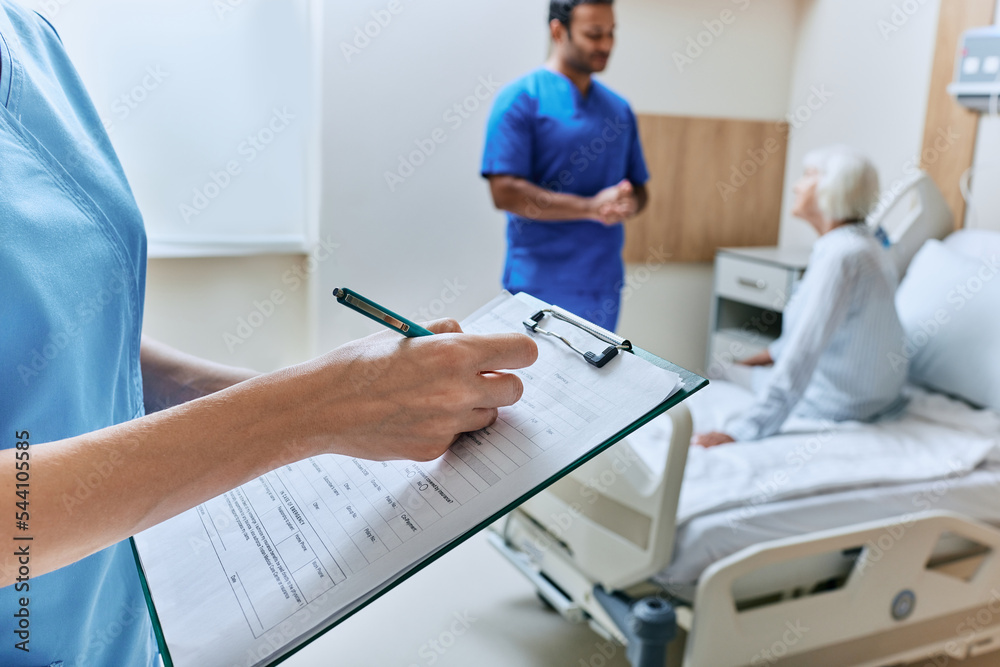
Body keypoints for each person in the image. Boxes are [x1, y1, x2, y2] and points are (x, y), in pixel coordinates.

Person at [0, 3, 537, 665]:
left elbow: (73, 341)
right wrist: (315, 407)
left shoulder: (31, 39)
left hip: (117, 626)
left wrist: (343, 396)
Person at [695, 146, 909, 447]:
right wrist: (755, 360)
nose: (797, 185)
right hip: (874, 398)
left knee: (712, 375)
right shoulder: (864, 245)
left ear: (832, 189)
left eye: (808, 176)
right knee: (730, 368)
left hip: (839, 403)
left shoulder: (841, 257)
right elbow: (816, 335)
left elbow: (802, 353)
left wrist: (742, 431)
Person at [481, 0, 649, 331]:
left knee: (598, 380)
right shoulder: (520, 99)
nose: (606, 45)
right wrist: (590, 207)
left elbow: (640, 188)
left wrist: (629, 202)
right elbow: (505, 194)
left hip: (602, 283)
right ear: (559, 31)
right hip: (539, 285)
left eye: (611, 33)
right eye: (594, 34)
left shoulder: (619, 110)